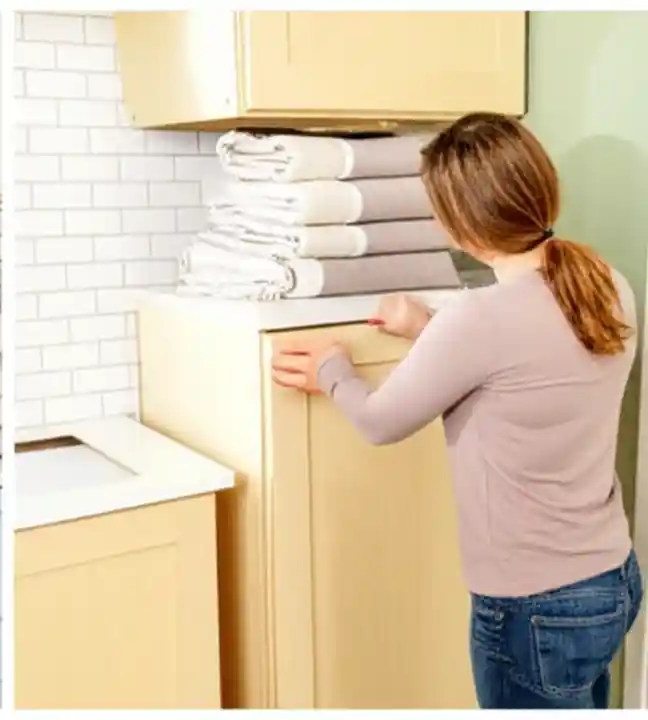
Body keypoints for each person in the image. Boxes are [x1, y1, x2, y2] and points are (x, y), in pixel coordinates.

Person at [270, 112, 643, 710]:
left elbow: (379, 421)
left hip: (532, 608)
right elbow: (526, 367)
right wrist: (428, 328)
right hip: (611, 581)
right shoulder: (607, 284)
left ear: (457, 227)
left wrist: (330, 369)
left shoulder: (480, 320)